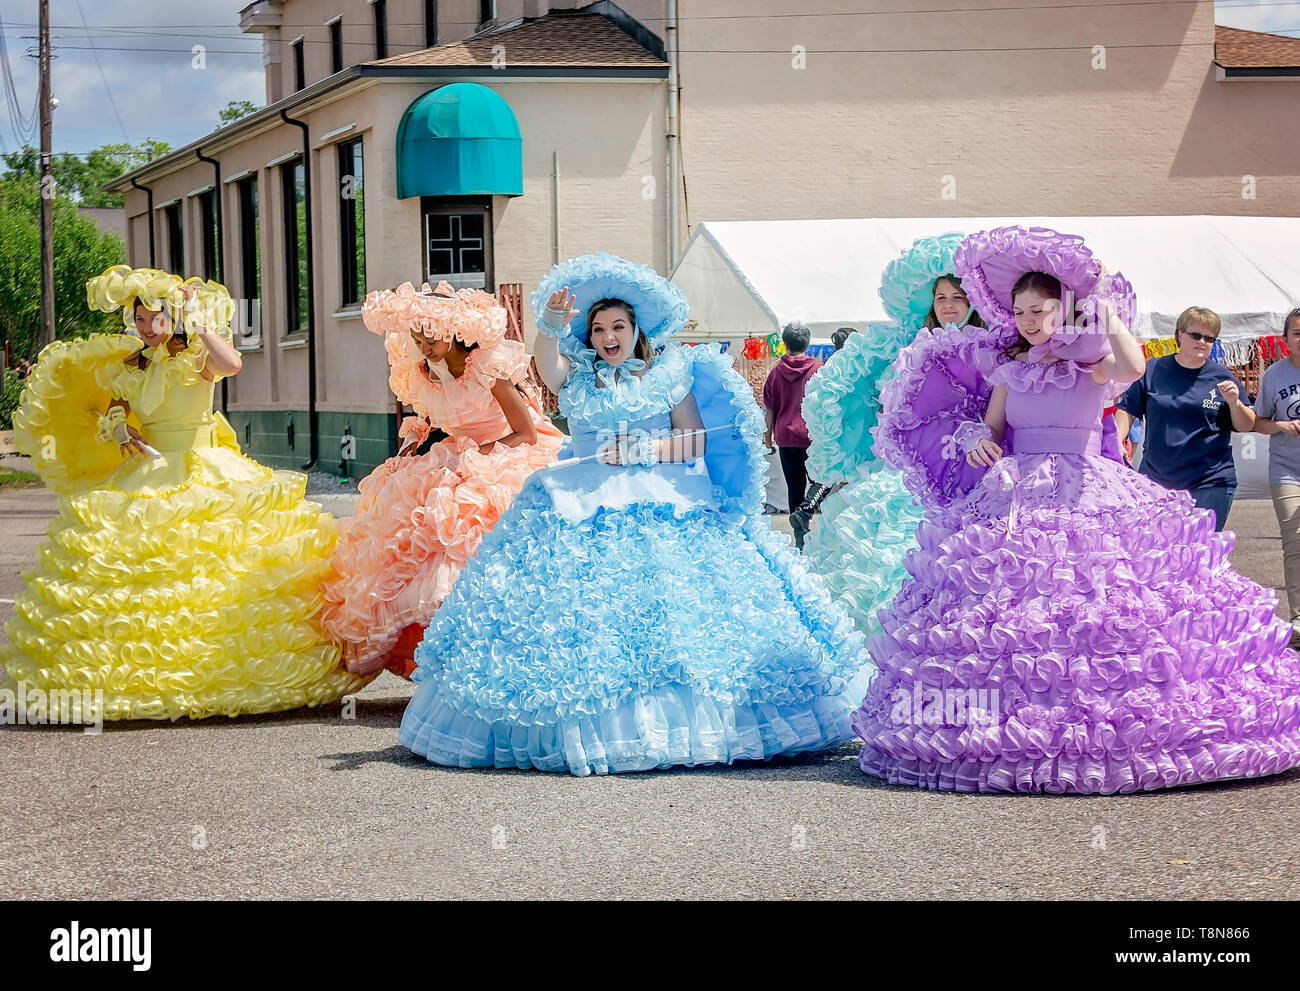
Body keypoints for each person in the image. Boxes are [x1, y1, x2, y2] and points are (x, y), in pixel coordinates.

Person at [854, 226, 1300, 794]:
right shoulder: (1008, 369)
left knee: (1096, 607)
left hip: (1087, 488)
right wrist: (977, 443)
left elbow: (1135, 366)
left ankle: (1105, 731)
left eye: (1039, 310)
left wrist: (1101, 308)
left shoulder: (1090, 360)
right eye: (1019, 311)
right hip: (1016, 498)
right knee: (1012, 621)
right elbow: (992, 430)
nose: (1028, 321)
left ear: (1061, 310)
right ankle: (1012, 725)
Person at [398, 252, 872, 776]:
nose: (608, 336)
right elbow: (546, 361)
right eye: (598, 328)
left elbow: (692, 440)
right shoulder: (578, 378)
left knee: (681, 618)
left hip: (665, 492)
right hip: (579, 496)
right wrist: (551, 324)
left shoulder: (672, 374)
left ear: (636, 329)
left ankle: (692, 723)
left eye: (618, 326)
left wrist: (641, 450)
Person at [1, 265, 374, 721]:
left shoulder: (195, 354)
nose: (143, 327)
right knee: (146, 577)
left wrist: (196, 322)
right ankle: (147, 680)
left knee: (222, 566)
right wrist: (118, 428)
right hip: (150, 469)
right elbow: (115, 409)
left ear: (170, 317)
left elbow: (232, 364)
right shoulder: (129, 365)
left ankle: (221, 668)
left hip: (206, 466)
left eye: (153, 318)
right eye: (137, 320)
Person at [320, 282, 563, 679]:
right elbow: (432, 421)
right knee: (409, 522)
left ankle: (494, 655)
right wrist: (412, 448)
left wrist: (472, 458)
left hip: (507, 452)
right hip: (457, 453)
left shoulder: (487, 368)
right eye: (417, 339)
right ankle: (437, 657)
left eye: (431, 338)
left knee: (465, 528)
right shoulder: (422, 371)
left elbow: (526, 433)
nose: (425, 347)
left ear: (453, 331)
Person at [799, 233, 983, 637]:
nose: (949, 307)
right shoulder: (906, 345)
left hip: (964, 475)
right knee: (874, 554)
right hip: (901, 469)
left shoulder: (989, 349)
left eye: (958, 298)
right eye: (942, 299)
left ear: (974, 302)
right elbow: (861, 392)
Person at [1115, 306, 1253, 531]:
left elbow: (1246, 425)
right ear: (1180, 335)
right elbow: (1128, 409)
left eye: (1209, 338)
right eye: (1196, 335)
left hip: (1210, 482)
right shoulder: (1152, 369)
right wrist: (1119, 439)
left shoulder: (1223, 378)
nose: (1202, 342)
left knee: (1202, 553)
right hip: (1156, 480)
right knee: (1156, 552)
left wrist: (1235, 403)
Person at [1251, 307, 1300, 641]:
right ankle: (1298, 617)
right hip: (1287, 471)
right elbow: (1257, 422)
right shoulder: (1274, 376)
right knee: (1295, 543)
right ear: (1285, 340)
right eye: (1297, 333)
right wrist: (1281, 425)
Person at [762, 322, 821, 515]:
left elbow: (769, 409)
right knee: (820, 482)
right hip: (812, 436)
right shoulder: (818, 370)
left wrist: (767, 438)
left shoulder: (775, 372)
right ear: (807, 343)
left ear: (785, 343)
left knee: (794, 487)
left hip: (786, 437)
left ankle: (799, 536)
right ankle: (807, 510)